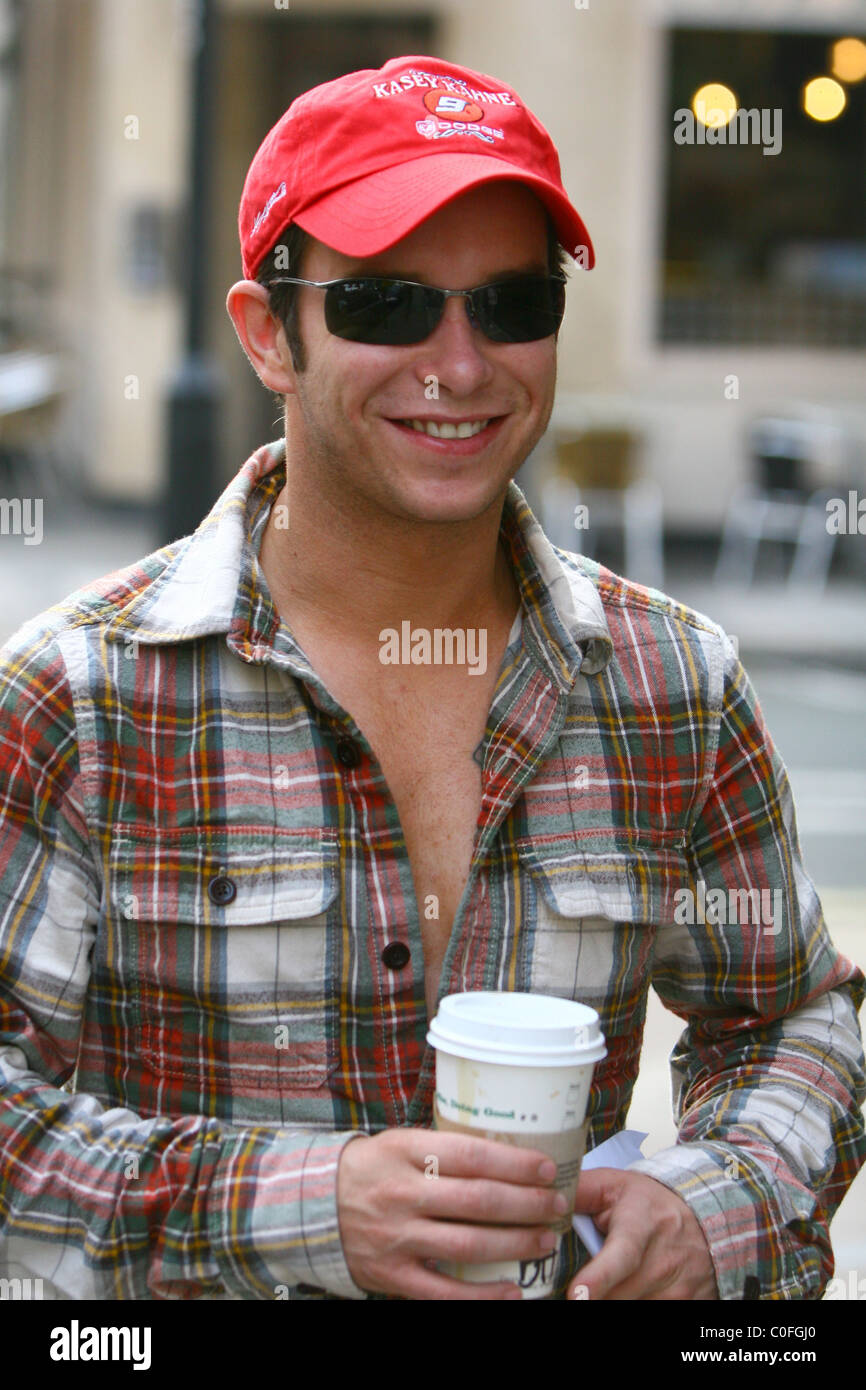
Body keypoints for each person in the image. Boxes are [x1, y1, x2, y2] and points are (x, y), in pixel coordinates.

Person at [0, 54, 863, 1304]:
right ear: (266, 334)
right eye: (388, 305)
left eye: (512, 302)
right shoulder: (78, 694)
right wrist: (293, 1210)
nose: (460, 365)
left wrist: (708, 1205)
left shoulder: (671, 682)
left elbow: (791, 1018)